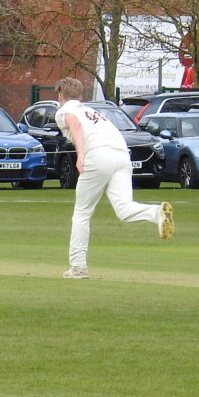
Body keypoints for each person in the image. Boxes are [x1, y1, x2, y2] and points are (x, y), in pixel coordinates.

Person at [55, 77, 174, 279]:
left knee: (82, 213)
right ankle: (156, 213)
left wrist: (81, 155)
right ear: (80, 95)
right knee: (124, 209)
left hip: (98, 157)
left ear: (60, 96)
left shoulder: (65, 111)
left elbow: (73, 125)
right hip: (122, 157)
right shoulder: (93, 112)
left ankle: (78, 268)